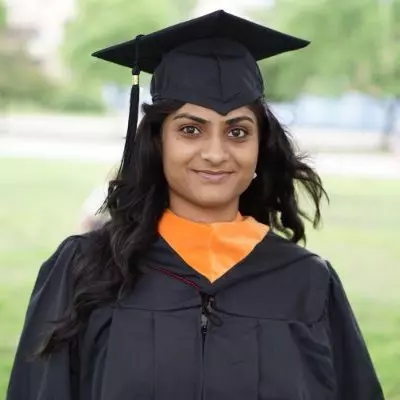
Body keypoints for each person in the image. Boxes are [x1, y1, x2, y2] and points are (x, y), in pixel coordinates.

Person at [7, 10, 384, 400]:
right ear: (157, 142)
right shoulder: (85, 270)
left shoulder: (307, 283)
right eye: (191, 130)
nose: (216, 153)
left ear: (260, 147)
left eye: (238, 132)